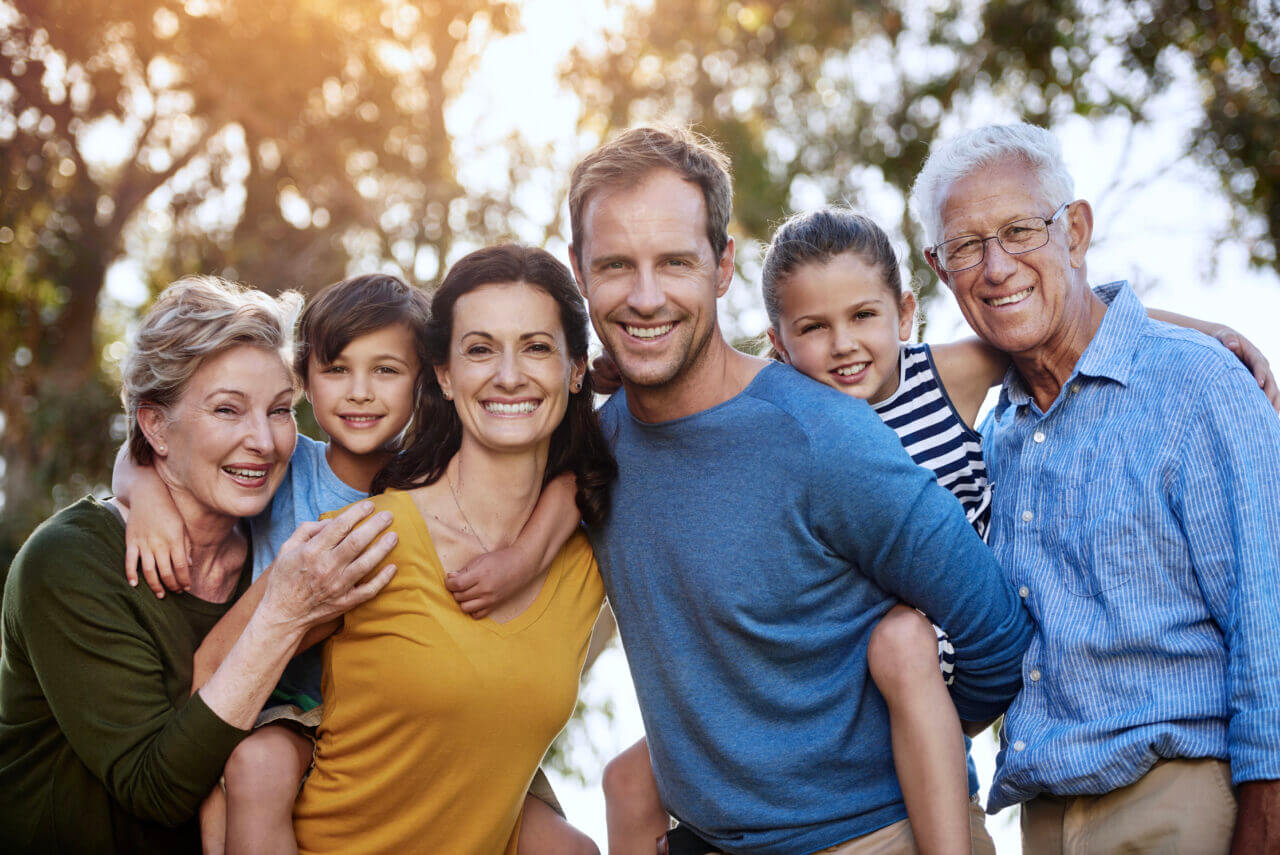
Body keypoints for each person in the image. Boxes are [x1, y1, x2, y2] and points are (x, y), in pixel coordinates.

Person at [597, 203, 1278, 854]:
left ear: (904, 313)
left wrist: (1206, 330)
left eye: (863, 316)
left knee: (900, 642)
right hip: (839, 671)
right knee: (629, 773)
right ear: (776, 344)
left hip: (949, 633)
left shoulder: (940, 375)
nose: (844, 345)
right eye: (813, 328)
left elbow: (1072, 320)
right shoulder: (780, 418)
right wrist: (608, 374)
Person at [564, 124, 1032, 855]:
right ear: (578, 269)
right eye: (617, 264)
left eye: (676, 262)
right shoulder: (596, 452)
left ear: (721, 267)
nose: (646, 295)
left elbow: (996, 632)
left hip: (882, 834)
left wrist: (907, 745)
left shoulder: (821, 435)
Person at [119, 273, 589, 854]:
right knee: (253, 769)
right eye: (337, 369)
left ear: (427, 381)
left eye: (386, 370)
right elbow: (163, 441)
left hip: (396, 720)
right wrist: (143, 491)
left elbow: (576, 472)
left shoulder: (435, 482)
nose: (360, 392)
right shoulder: (283, 460)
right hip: (280, 706)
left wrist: (521, 560)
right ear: (305, 386)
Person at [910, 122, 1280, 854]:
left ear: (1075, 231)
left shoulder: (1198, 386)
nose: (994, 267)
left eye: (1020, 230)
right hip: (1044, 820)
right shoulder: (990, 442)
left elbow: (1270, 634)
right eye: (965, 246)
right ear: (939, 267)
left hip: (1183, 805)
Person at [0, 275, 398, 853]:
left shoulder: (274, 534)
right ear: (156, 427)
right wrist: (282, 612)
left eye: (280, 410)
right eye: (227, 410)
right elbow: (153, 789)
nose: (262, 440)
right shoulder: (69, 562)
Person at [269, 244, 613, 854]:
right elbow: (212, 682)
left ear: (576, 369)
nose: (509, 374)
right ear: (446, 376)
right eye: (480, 349)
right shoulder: (368, 535)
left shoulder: (591, 556)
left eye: (536, 347)